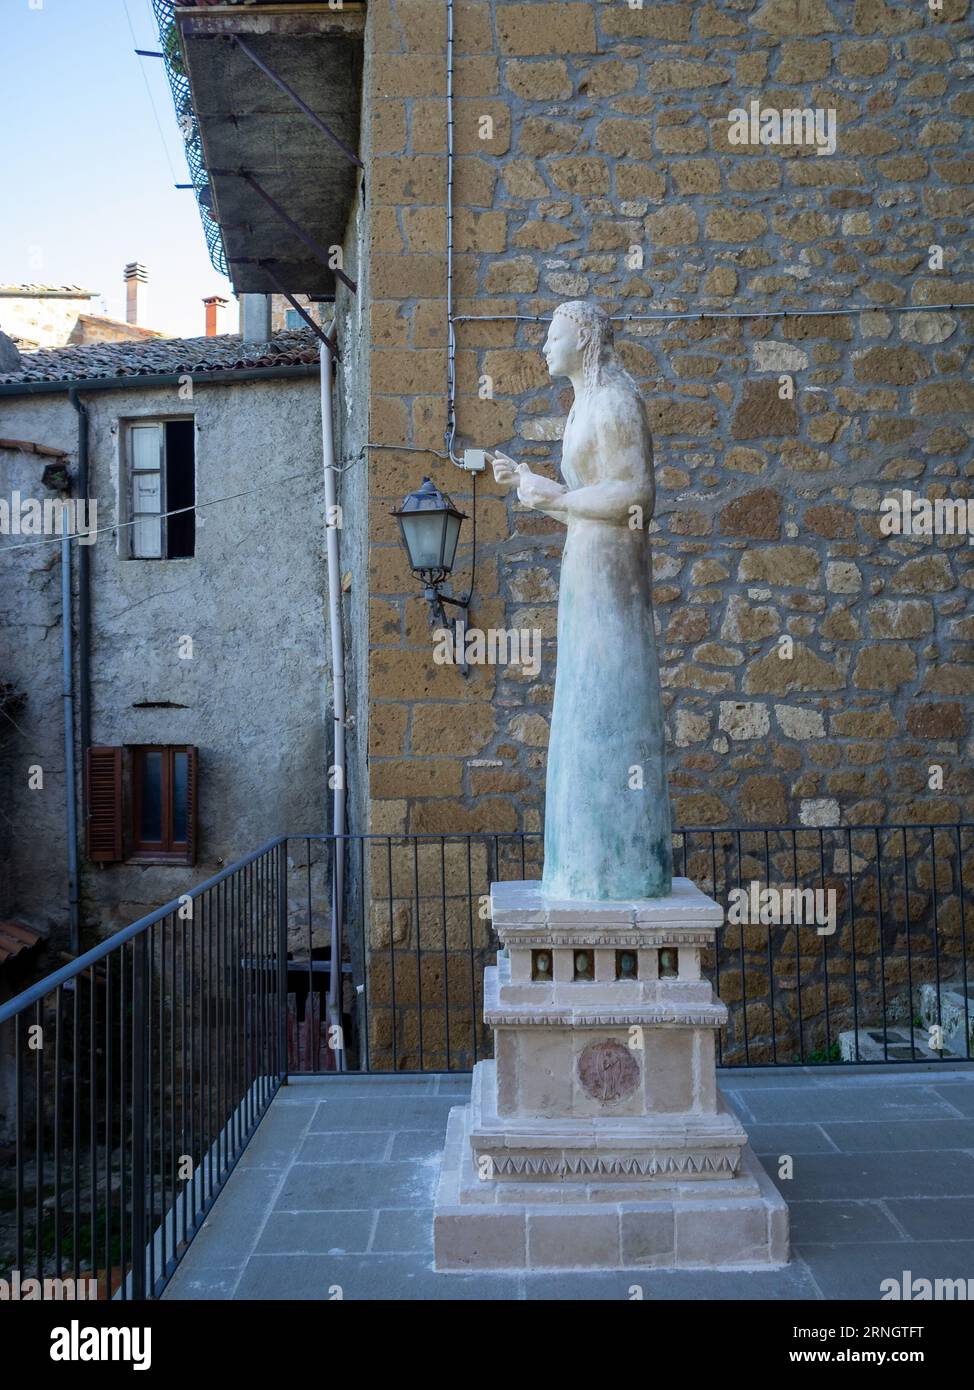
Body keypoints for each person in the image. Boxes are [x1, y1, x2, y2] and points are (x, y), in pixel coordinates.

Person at [491, 301, 673, 901]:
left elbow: (635, 496)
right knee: (581, 703)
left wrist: (558, 501)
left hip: (613, 569)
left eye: (553, 335)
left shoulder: (616, 400)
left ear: (584, 338)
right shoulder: (581, 408)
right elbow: (588, 491)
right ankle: (581, 866)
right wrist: (533, 486)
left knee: (607, 697)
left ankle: (615, 871)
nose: (544, 346)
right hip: (586, 562)